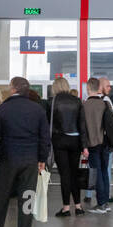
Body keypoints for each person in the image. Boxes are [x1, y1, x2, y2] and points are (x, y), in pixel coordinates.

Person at [0, 76, 50, 227]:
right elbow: (44, 138)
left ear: (13, 89)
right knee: (27, 201)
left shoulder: (3, 109)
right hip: (30, 162)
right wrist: (41, 159)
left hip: (8, 161)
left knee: (0, 202)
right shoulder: (38, 110)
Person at [81, 76, 113, 214]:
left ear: (87, 89)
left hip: (92, 144)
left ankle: (101, 204)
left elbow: (83, 128)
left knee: (96, 173)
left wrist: (84, 146)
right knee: (104, 172)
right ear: (98, 88)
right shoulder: (105, 104)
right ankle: (105, 202)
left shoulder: (84, 105)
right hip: (106, 143)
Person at [47, 77, 85, 217]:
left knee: (65, 175)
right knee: (74, 173)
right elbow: (82, 125)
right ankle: (79, 206)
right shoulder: (77, 100)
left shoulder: (52, 102)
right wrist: (84, 145)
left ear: (55, 87)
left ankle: (66, 208)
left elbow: (48, 124)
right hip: (75, 141)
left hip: (60, 141)